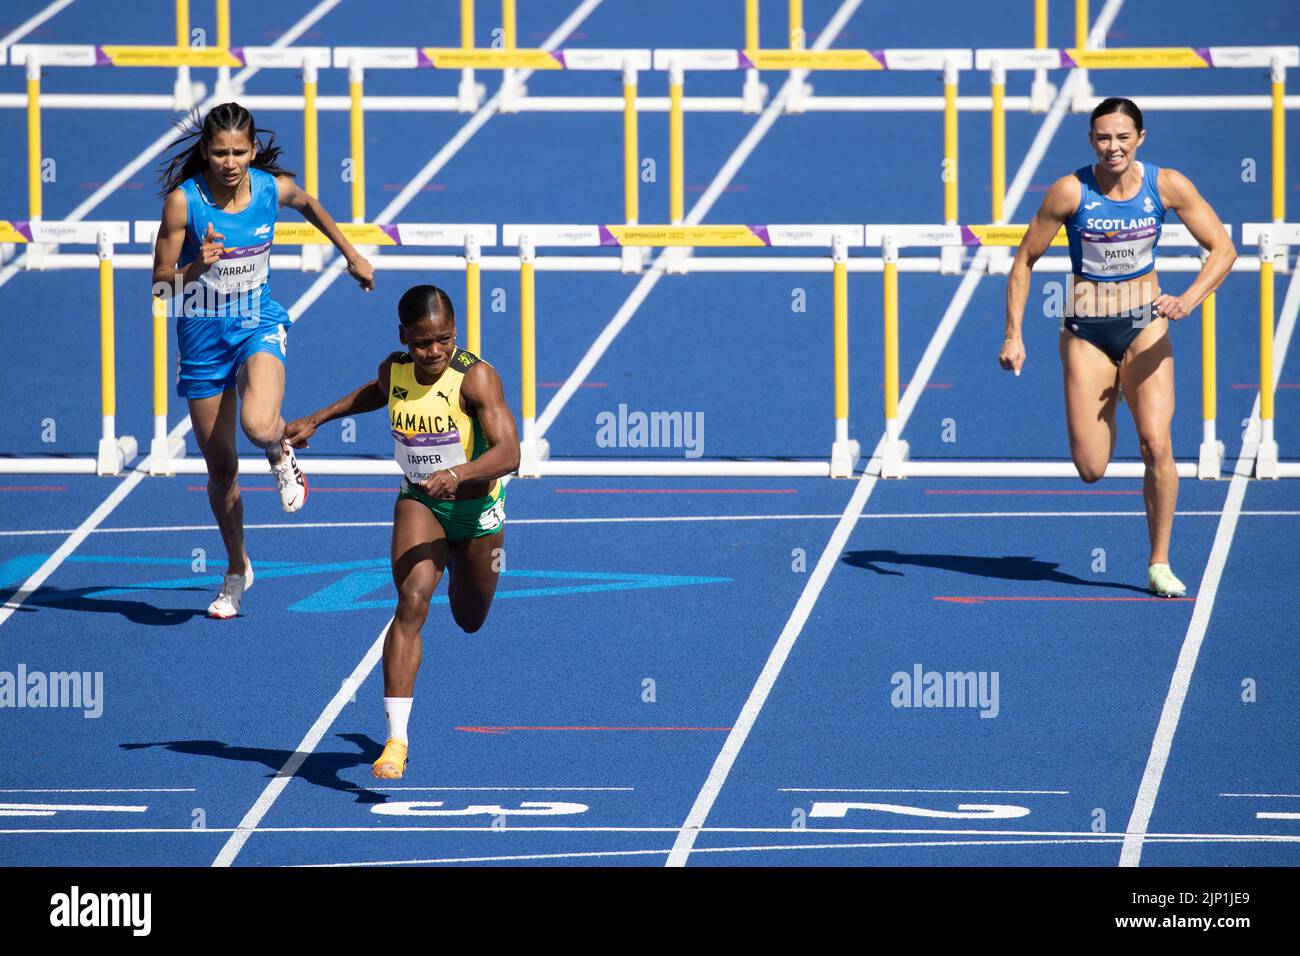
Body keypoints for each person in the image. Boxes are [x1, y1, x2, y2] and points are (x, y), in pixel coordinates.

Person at [999, 97, 1235, 597]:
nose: (1113, 147)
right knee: (1091, 470)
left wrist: (1189, 299)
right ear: (1091, 141)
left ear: (1140, 139)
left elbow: (1223, 248)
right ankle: (1114, 387)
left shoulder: (1165, 185)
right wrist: (1013, 335)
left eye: (1123, 137)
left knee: (1157, 445)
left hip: (1146, 326)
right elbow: (1024, 260)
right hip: (1086, 333)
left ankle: (1159, 562)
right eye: (1104, 138)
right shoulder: (1069, 191)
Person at [284, 286, 520, 779]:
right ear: (403, 338)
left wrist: (458, 474)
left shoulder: (476, 378)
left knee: (469, 617)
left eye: (444, 340)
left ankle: (457, 562)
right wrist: (319, 418)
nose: (433, 352)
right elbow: (378, 392)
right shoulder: (394, 369)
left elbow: (510, 454)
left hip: (477, 513)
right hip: (420, 502)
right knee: (412, 601)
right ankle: (396, 739)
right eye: (421, 343)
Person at [152, 103, 375, 619]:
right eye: (219, 152)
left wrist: (351, 255)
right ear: (205, 152)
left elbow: (311, 203)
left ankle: (279, 452)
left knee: (258, 424)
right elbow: (161, 284)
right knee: (221, 468)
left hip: (257, 321)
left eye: (238, 152)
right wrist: (194, 267)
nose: (229, 162)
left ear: (253, 151)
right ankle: (236, 570)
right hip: (202, 333)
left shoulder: (272, 188)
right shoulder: (183, 204)